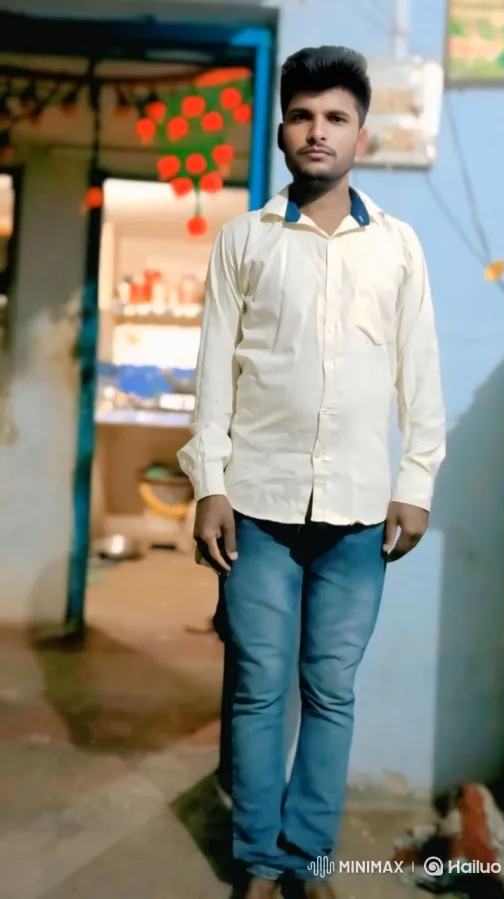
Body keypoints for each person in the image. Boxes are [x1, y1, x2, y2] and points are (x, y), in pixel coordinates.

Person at [178, 45, 446, 899]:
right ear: (282, 131)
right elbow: (214, 374)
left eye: (336, 117)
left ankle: (311, 856)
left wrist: (416, 483)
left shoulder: (397, 247)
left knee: (330, 689)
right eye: (302, 115)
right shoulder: (245, 241)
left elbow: (420, 372)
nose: (317, 131)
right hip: (256, 504)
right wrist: (210, 484)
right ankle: (261, 860)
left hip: (360, 512)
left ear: (361, 134)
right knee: (259, 687)